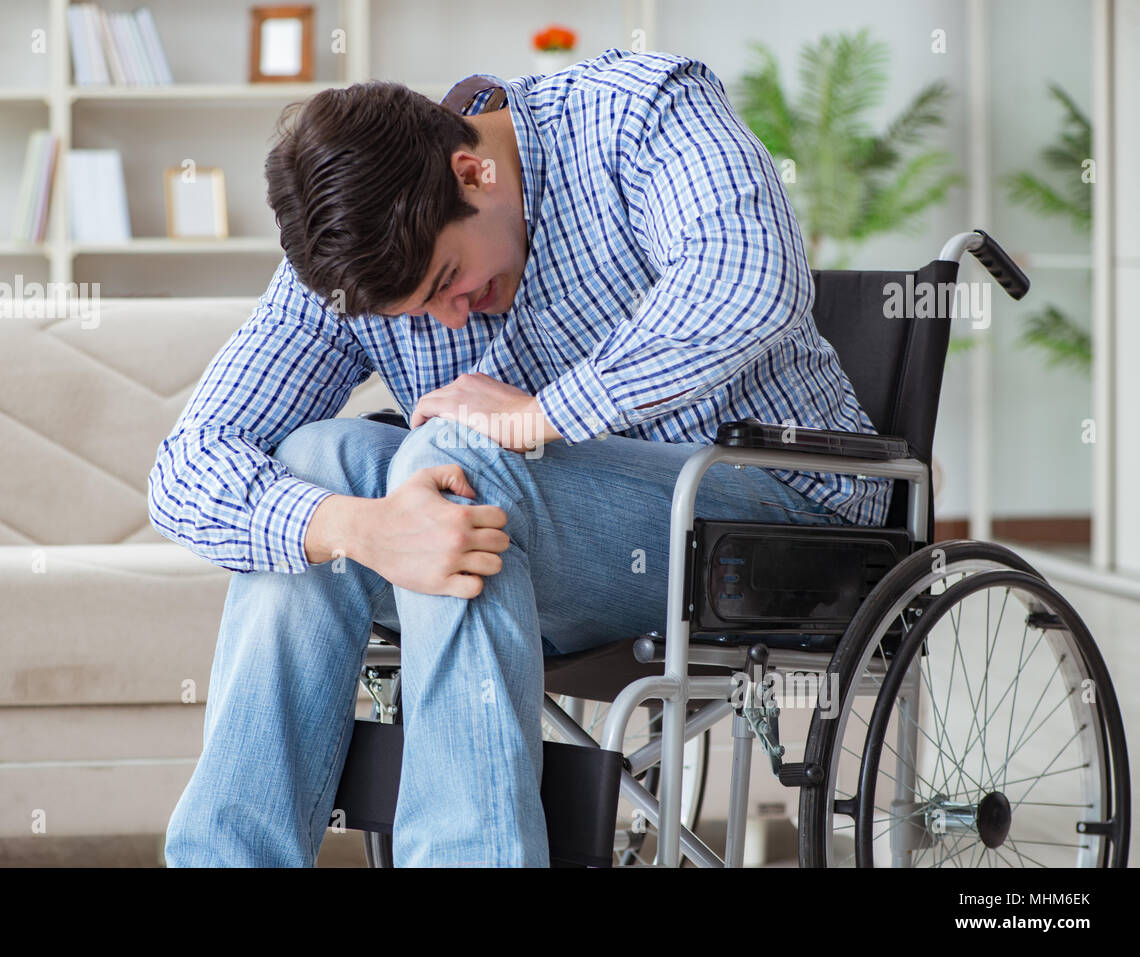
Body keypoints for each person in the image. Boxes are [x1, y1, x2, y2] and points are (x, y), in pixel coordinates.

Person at [147, 47, 892, 867]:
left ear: (473, 173)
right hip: (539, 548)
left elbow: (749, 278)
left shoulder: (636, 113)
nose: (451, 321)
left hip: (775, 522)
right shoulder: (351, 252)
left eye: (447, 279)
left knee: (454, 458)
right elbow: (187, 466)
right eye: (414, 313)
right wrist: (357, 528)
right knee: (316, 464)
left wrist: (544, 414)